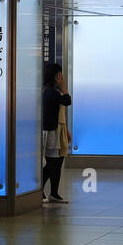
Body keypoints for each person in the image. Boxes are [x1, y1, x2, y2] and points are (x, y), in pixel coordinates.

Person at [40, 62, 71, 203]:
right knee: (52, 164)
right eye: (59, 75)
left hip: (59, 130)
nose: (61, 78)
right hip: (52, 131)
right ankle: (38, 189)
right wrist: (64, 86)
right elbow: (67, 100)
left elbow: (61, 112)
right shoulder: (50, 91)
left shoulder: (53, 91)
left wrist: (66, 130)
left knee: (58, 163)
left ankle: (54, 193)